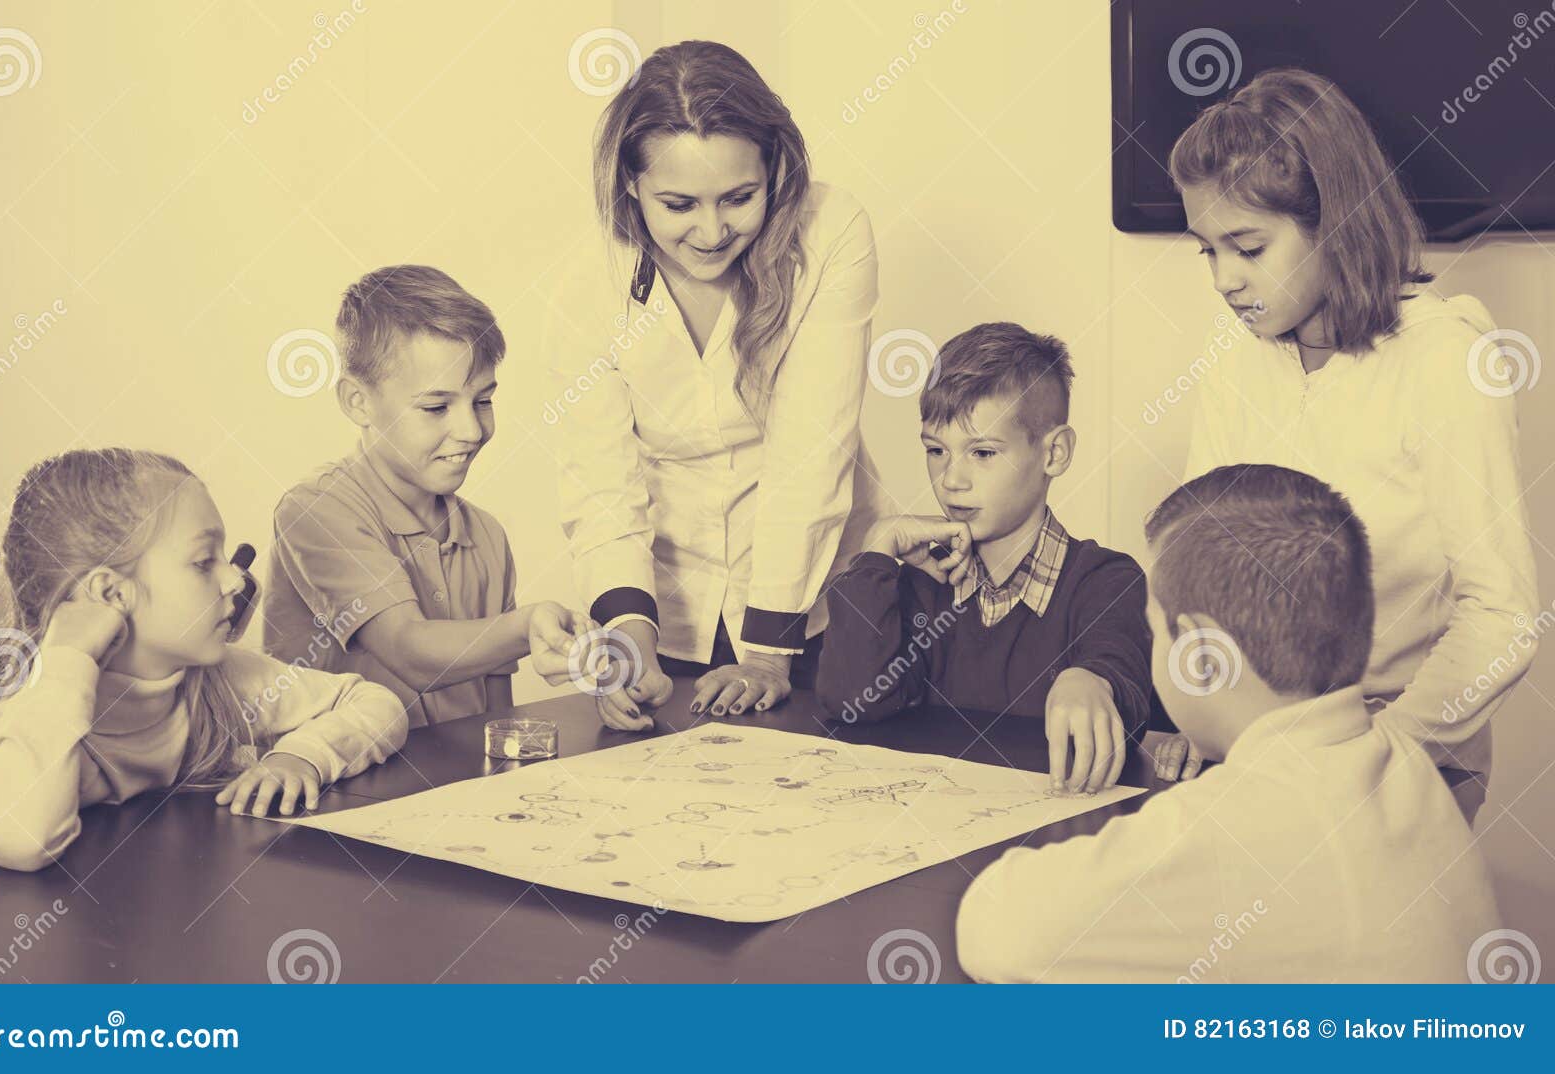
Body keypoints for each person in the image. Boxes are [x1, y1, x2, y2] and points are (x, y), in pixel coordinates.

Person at [1156, 68, 1538, 808]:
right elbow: (1195, 563)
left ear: (1336, 222)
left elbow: (1503, 618)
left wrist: (1377, 757)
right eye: (1208, 250)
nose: (1224, 280)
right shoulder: (1236, 356)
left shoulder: (1447, 361)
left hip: (1408, 749)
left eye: (1247, 246)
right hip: (1258, 742)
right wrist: (1193, 713)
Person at [956, 464, 1501, 982]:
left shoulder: (1232, 833)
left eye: (1155, 632)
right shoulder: (1409, 765)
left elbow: (992, 929)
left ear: (1201, 655)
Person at [546, 40, 885, 731]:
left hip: (812, 603)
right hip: (668, 609)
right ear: (630, 186)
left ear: (776, 171)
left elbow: (811, 450)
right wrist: (628, 642)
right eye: (678, 204)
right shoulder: (586, 284)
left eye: (739, 198)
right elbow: (601, 485)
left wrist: (767, 652)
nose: (710, 231)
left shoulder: (831, 233)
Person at [0, 449, 408, 872]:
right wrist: (68, 659)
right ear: (111, 594)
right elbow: (24, 840)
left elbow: (374, 703)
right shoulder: (15, 729)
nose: (234, 578)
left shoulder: (222, 681)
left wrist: (302, 757)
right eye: (203, 561)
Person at [817, 323, 1152, 794]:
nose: (952, 479)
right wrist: (876, 551)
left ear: (1054, 453)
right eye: (936, 450)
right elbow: (852, 702)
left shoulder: (1105, 580)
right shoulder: (920, 581)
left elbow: (1125, 681)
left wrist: (1092, 680)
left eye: (983, 452)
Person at [266, 265, 598, 728]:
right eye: (436, 407)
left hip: (452, 793)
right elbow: (408, 650)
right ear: (357, 402)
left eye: (483, 401)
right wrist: (526, 625)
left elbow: (494, 713)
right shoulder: (317, 510)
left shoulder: (486, 536)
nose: (471, 430)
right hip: (337, 788)